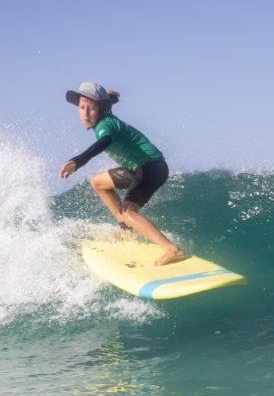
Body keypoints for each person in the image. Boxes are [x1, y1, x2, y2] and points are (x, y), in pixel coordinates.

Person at [59, 82, 185, 266]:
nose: (85, 113)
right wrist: (112, 97)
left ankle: (172, 249)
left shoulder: (105, 125)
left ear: (100, 108)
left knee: (127, 212)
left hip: (151, 167)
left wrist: (78, 161)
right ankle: (127, 232)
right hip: (137, 167)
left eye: (91, 108)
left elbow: (104, 142)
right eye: (82, 107)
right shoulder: (105, 110)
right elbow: (109, 101)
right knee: (98, 182)